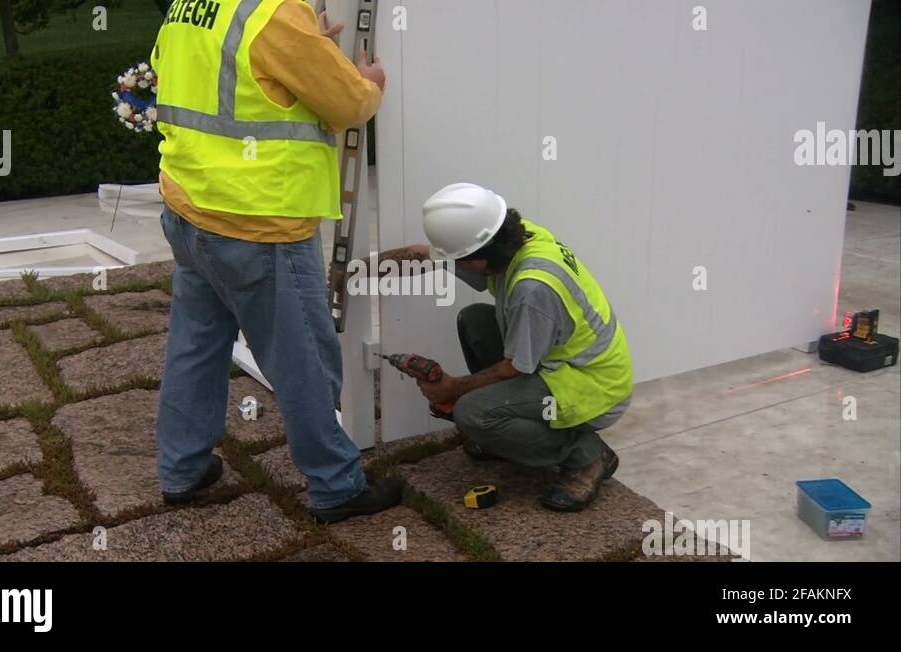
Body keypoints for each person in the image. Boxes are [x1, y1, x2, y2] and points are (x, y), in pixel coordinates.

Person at [151, 0, 401, 524]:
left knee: (195, 345)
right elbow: (347, 102)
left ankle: (183, 470)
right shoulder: (275, 13)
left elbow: (229, 79)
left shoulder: (190, 5)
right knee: (304, 359)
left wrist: (310, 49)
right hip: (258, 224)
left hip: (189, 208)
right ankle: (335, 485)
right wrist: (370, 80)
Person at [377, 183, 634, 512]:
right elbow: (421, 254)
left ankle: (587, 457)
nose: (455, 265)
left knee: (472, 412)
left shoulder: (533, 288)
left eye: (460, 260)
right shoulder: (517, 235)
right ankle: (509, 435)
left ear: (479, 260)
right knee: (475, 321)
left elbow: (516, 367)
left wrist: (453, 390)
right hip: (562, 361)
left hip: (594, 386)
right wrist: (359, 269)